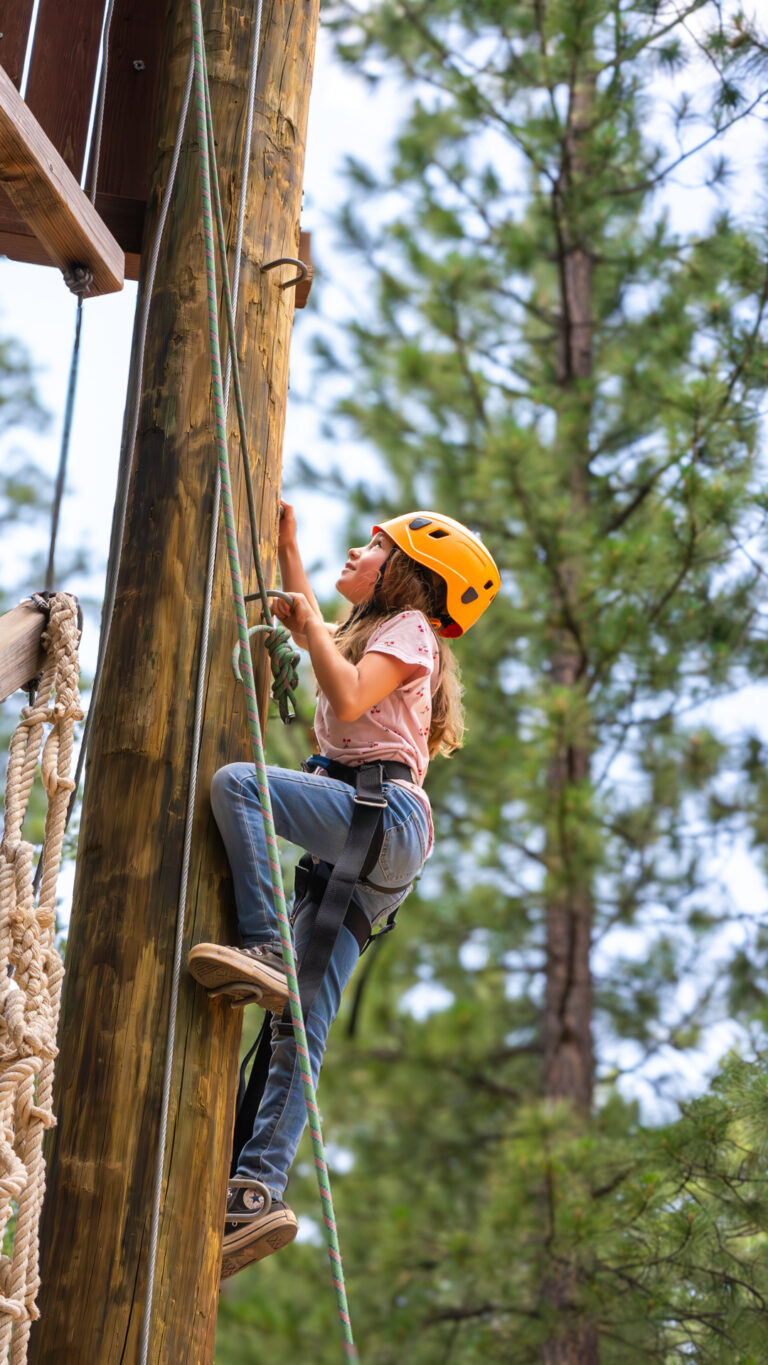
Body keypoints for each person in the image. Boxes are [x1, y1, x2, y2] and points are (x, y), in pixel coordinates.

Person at [188, 502, 500, 1279]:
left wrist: (315, 631)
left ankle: (262, 941)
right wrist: (289, 557)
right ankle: (256, 1187)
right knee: (301, 1022)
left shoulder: (411, 631)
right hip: (369, 855)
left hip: (381, 815)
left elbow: (351, 694)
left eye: (373, 547)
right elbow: (327, 646)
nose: (357, 553)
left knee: (238, 787)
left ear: (408, 579)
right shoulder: (377, 630)